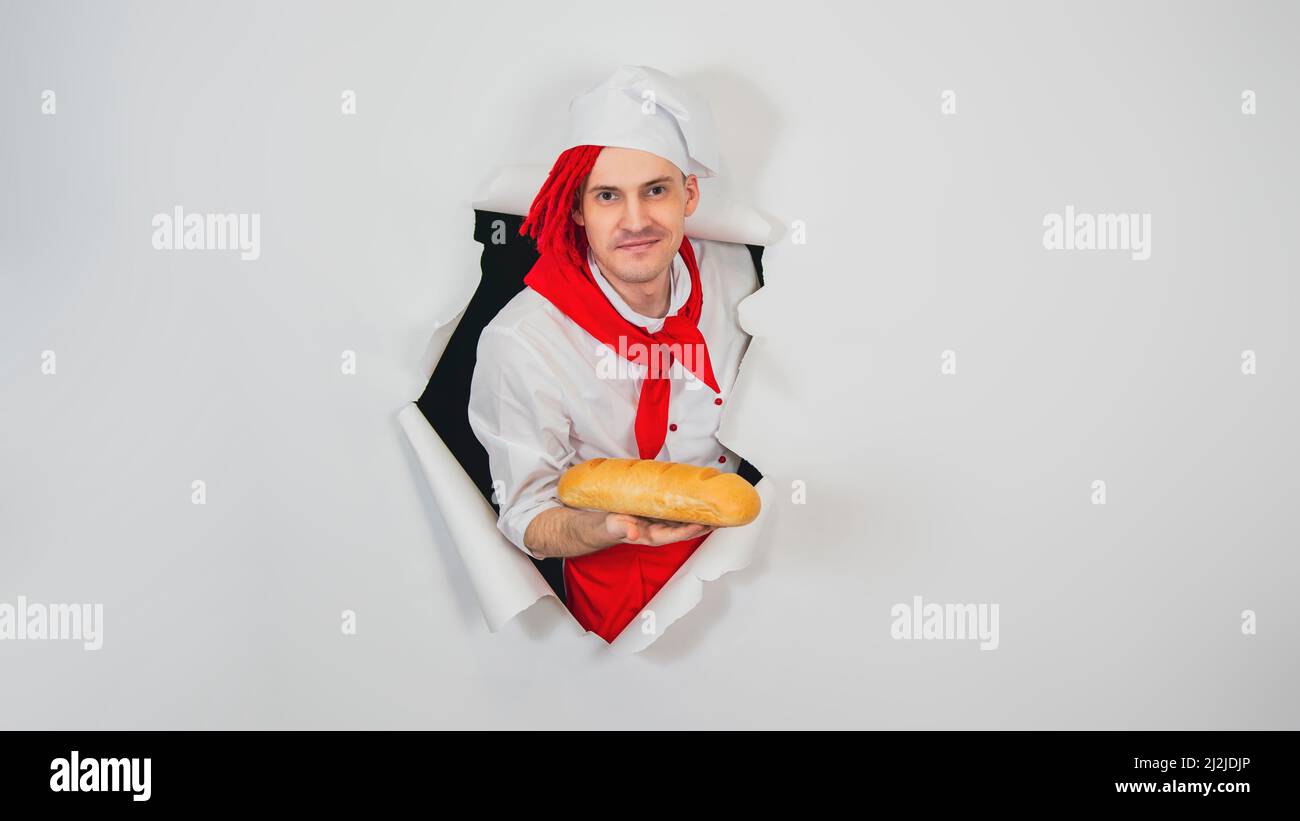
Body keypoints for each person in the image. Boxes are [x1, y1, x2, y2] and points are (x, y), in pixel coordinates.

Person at [467, 66, 760, 643]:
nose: (635, 222)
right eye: (606, 196)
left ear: (690, 195)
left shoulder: (738, 277)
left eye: (655, 190)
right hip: (617, 583)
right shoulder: (523, 342)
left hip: (747, 550)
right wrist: (611, 527)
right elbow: (527, 516)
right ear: (577, 209)